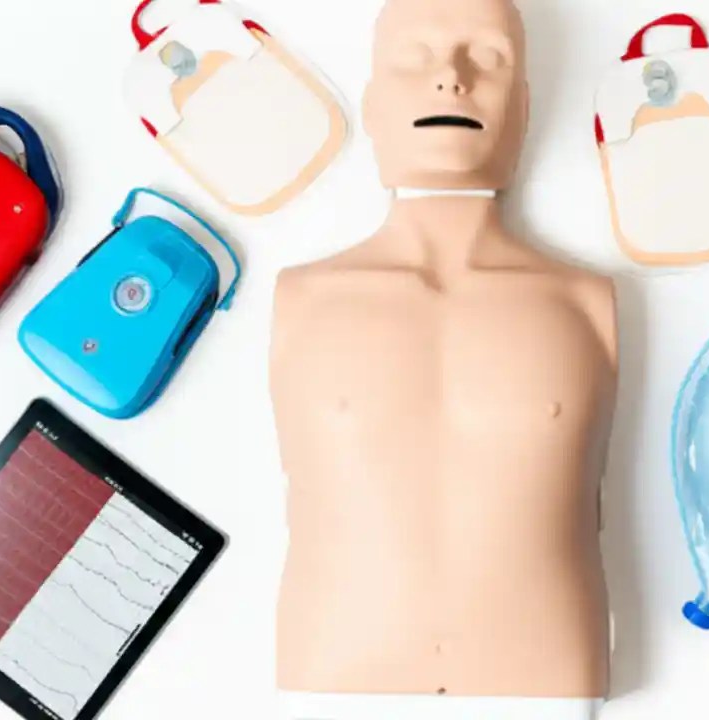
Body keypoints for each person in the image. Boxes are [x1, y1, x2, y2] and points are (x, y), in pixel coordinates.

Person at [270, 1, 619, 717]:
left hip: (545, 675)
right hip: (332, 673)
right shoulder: (302, 297)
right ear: (372, 106)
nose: (451, 80)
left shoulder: (586, 300)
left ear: (522, 109)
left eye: (487, 58)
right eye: (416, 57)